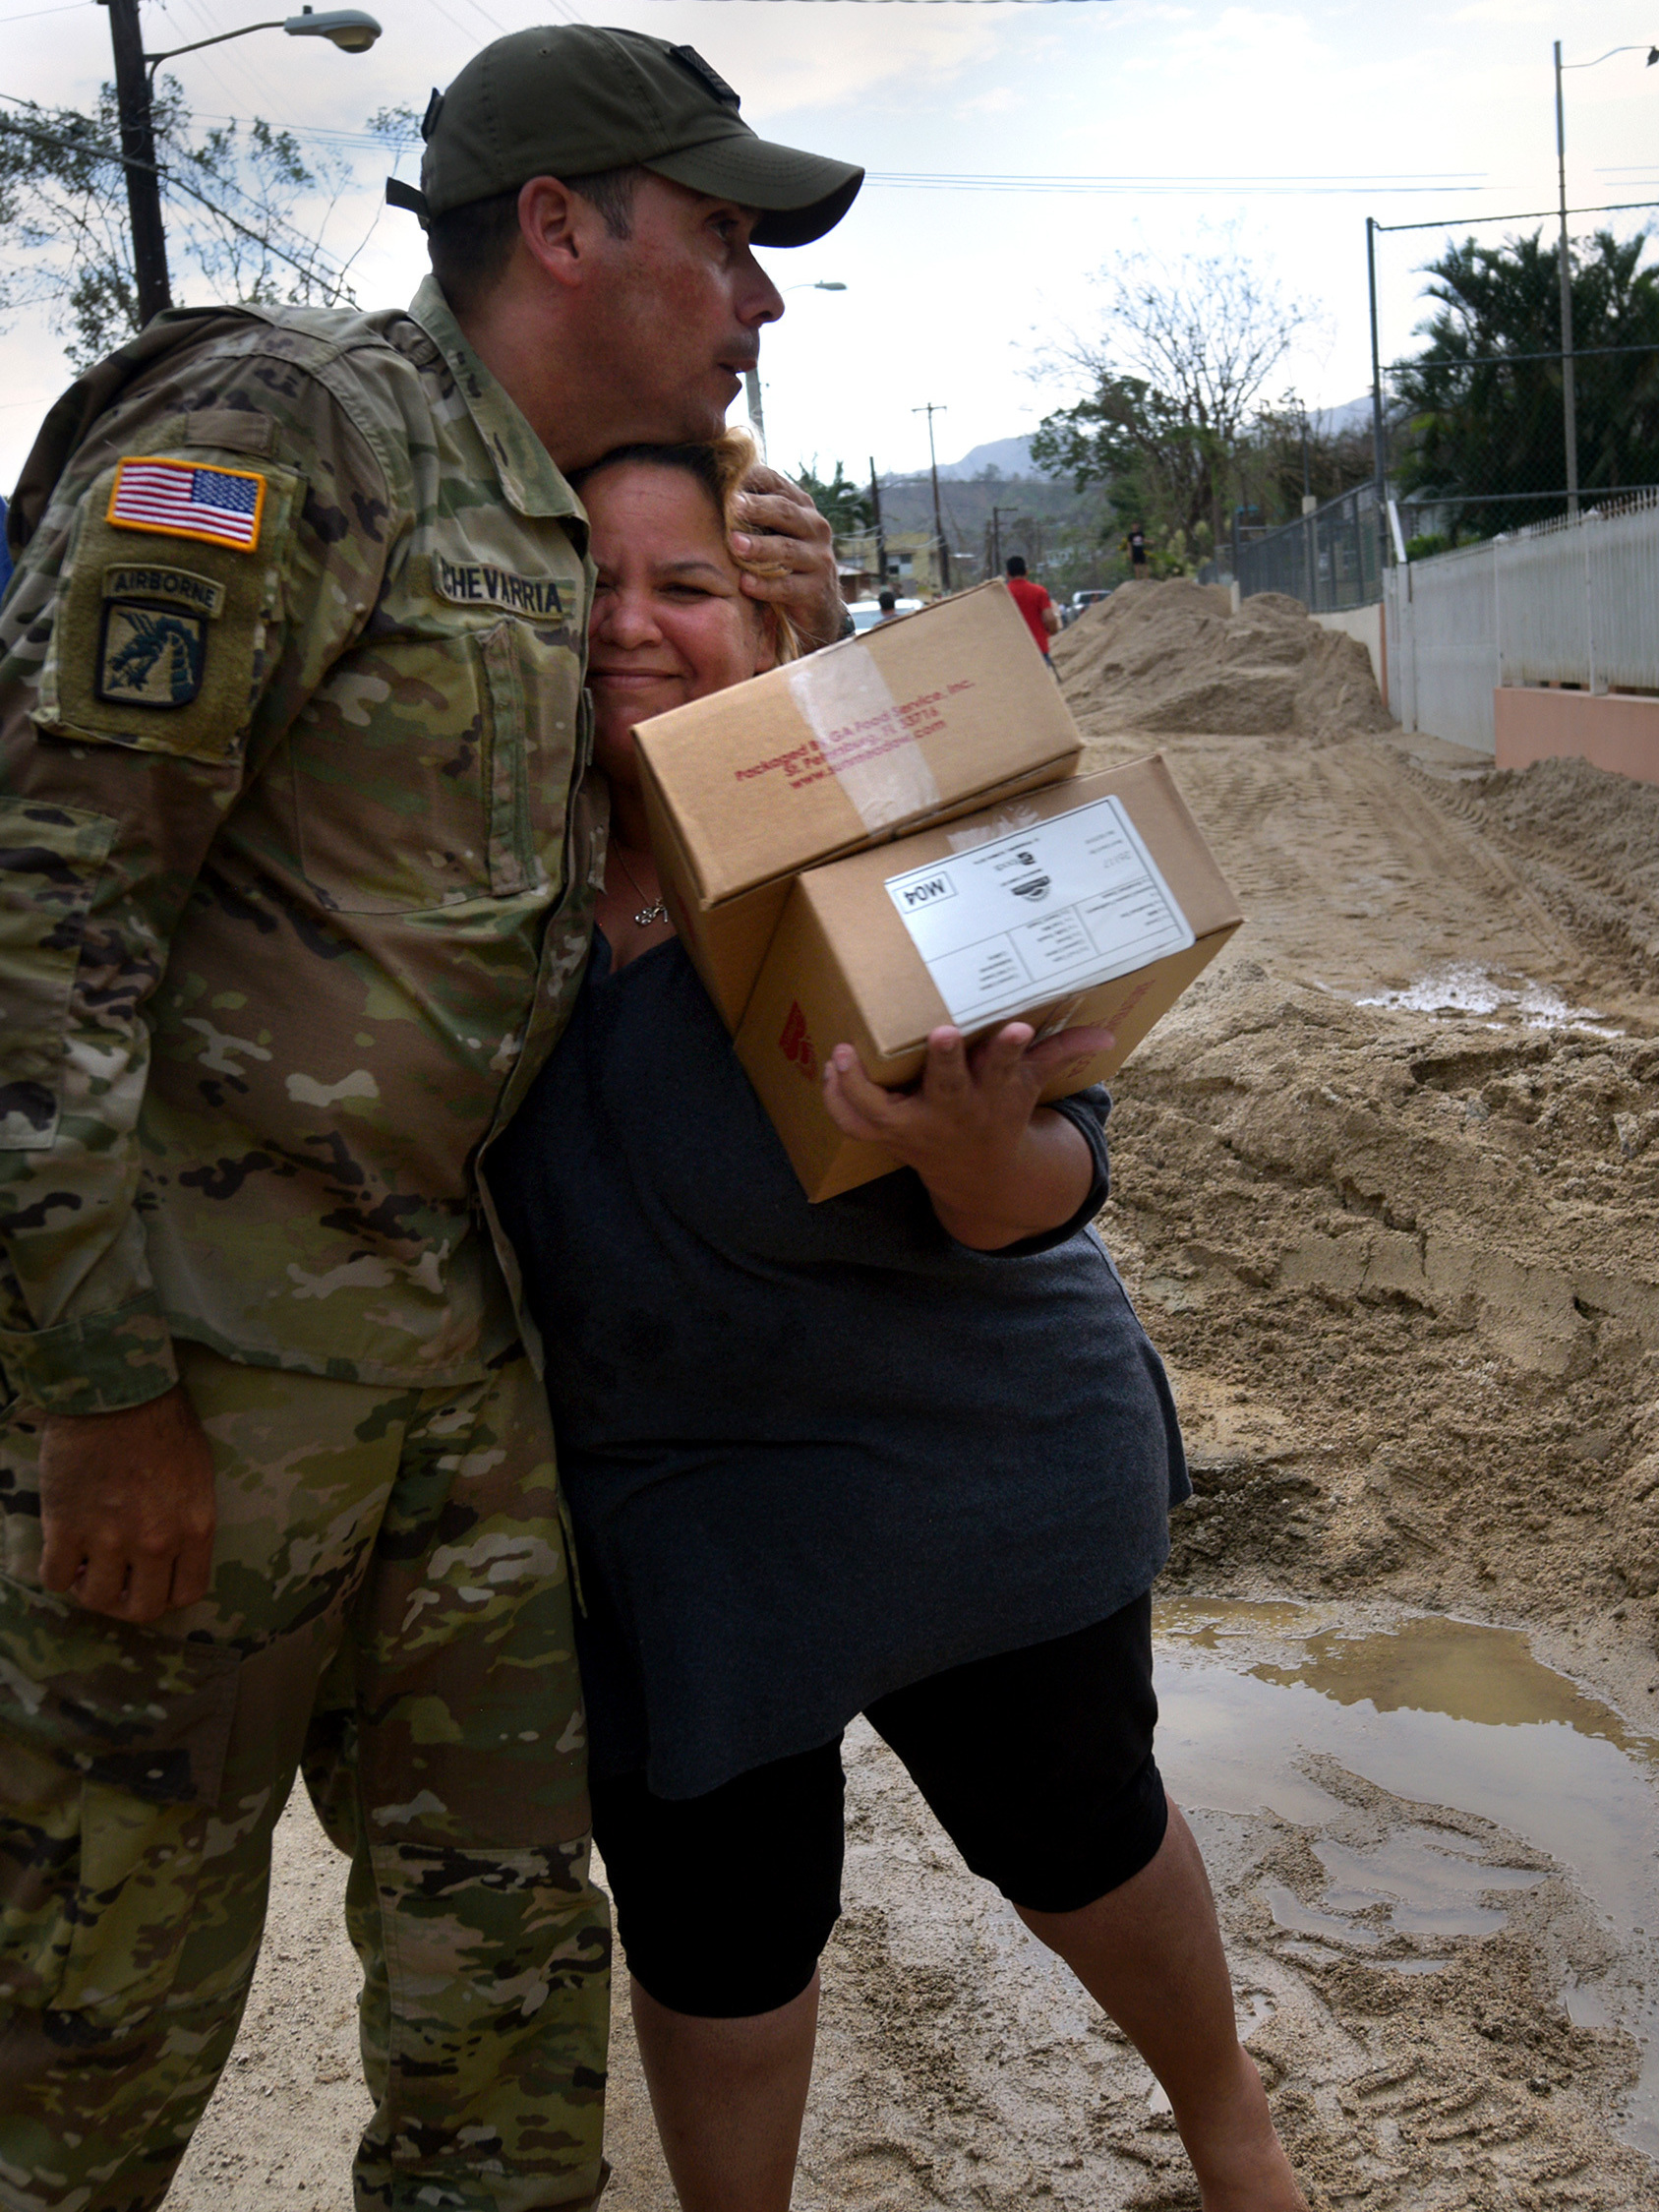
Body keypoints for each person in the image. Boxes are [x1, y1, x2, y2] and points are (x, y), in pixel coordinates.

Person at [0, 26, 858, 2209]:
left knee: (505, 1948)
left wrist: (798, 650)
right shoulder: (287, 433)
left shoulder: (546, 528)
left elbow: (679, 912)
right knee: (93, 1995)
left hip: (439, 1349)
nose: (759, 295)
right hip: (193, 1357)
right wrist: (94, 1395)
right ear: (560, 230)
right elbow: (44, 902)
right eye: (728, 235)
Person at [485, 439, 1309, 2212]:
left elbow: (1053, 1185)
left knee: (1076, 1828)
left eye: (684, 588)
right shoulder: (473, 865)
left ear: (766, 611)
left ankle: (1232, 2129)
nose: (628, 628)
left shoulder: (878, 838)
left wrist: (972, 1142)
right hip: (677, 1501)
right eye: (582, 588)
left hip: (966, 1448)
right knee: (716, 1915)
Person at [1005, 551, 1061, 667]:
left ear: (1008, 574)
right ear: (1027, 572)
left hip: (1013, 651)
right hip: (1038, 648)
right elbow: (1050, 618)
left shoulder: (1003, 594)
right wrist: (1053, 630)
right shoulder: (1039, 591)